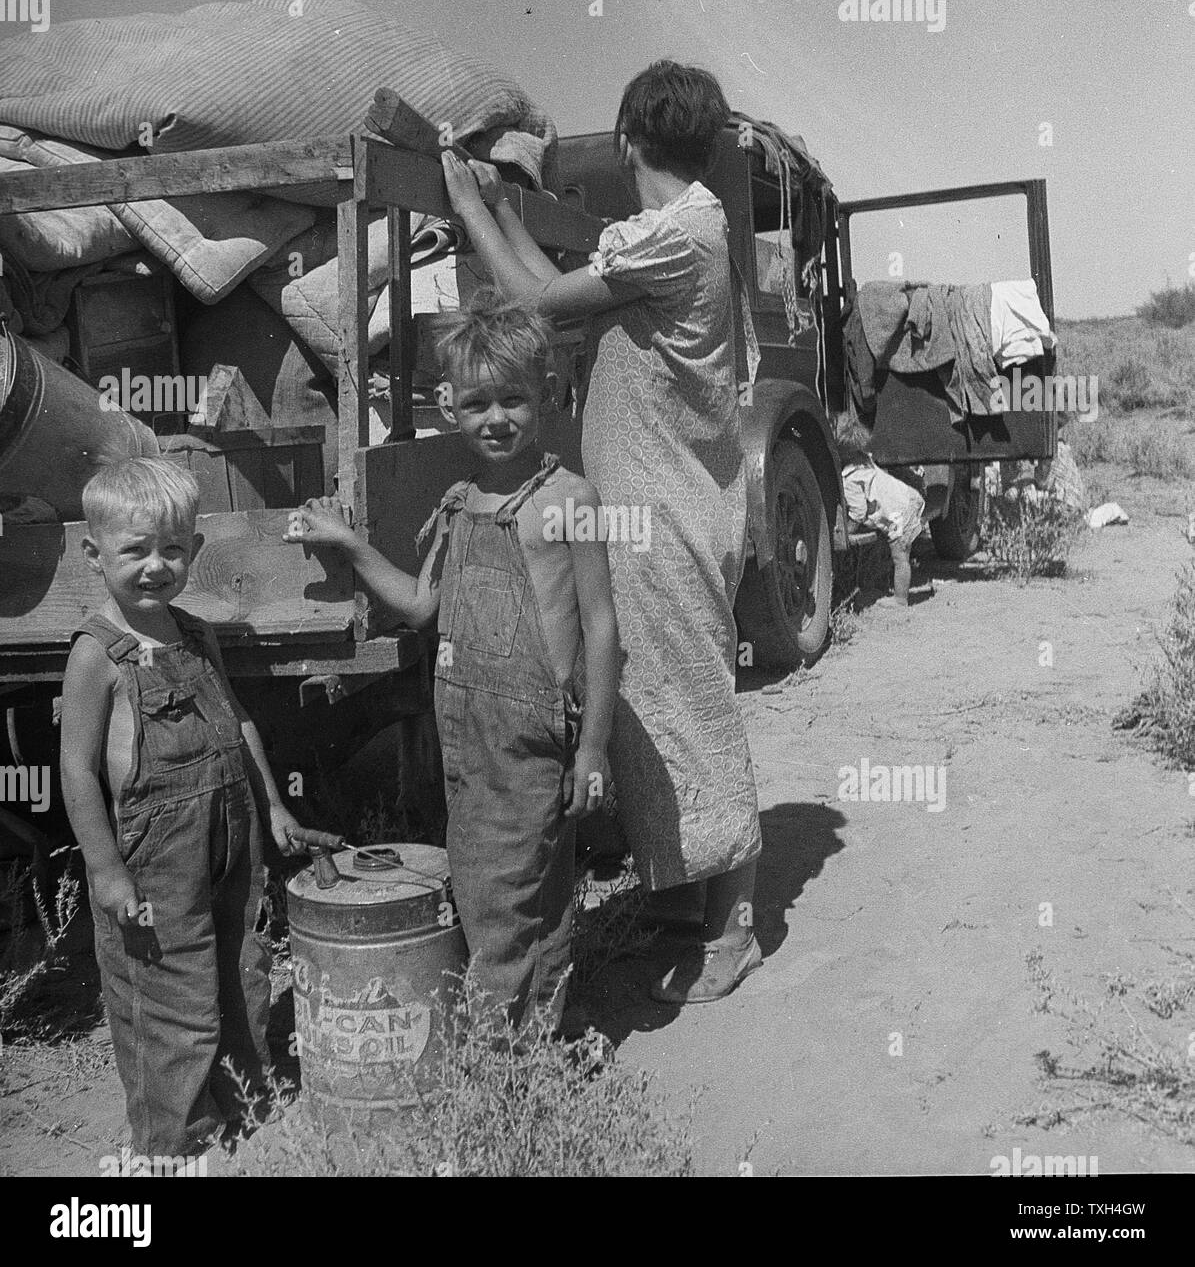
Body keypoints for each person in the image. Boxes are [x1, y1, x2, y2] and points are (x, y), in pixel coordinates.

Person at [439, 60, 762, 1003]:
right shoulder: (676, 231)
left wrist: (469, 210)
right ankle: (675, 906)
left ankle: (732, 929)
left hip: (666, 515)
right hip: (646, 514)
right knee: (645, 704)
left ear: (626, 144)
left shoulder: (678, 231)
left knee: (692, 708)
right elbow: (553, 287)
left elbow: (535, 306)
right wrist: (500, 211)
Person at [286, 293, 619, 1031]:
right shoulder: (459, 501)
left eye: (513, 400)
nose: (496, 419)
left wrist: (593, 745)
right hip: (466, 730)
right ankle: (541, 1039)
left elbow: (600, 627)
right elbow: (419, 607)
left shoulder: (570, 498)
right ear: (446, 406)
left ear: (548, 396)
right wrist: (347, 544)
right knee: (515, 887)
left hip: (531, 731)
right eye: (476, 404)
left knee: (503, 894)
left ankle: (498, 1063)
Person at [60, 457, 337, 1158]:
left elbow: (238, 722)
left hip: (230, 832)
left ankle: (247, 1098)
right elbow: (75, 768)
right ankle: (173, 1142)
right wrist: (104, 869)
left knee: (242, 970)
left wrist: (273, 806)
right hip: (152, 856)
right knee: (166, 994)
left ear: (196, 551)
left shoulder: (195, 633)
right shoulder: (97, 654)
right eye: (135, 551)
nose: (156, 566)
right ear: (93, 555)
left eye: (172, 549)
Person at [835, 415, 927, 606]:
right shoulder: (864, 460)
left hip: (899, 512)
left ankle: (900, 600)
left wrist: (847, 531)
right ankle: (886, 587)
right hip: (906, 498)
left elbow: (858, 512)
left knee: (900, 557)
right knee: (897, 553)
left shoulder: (850, 479)